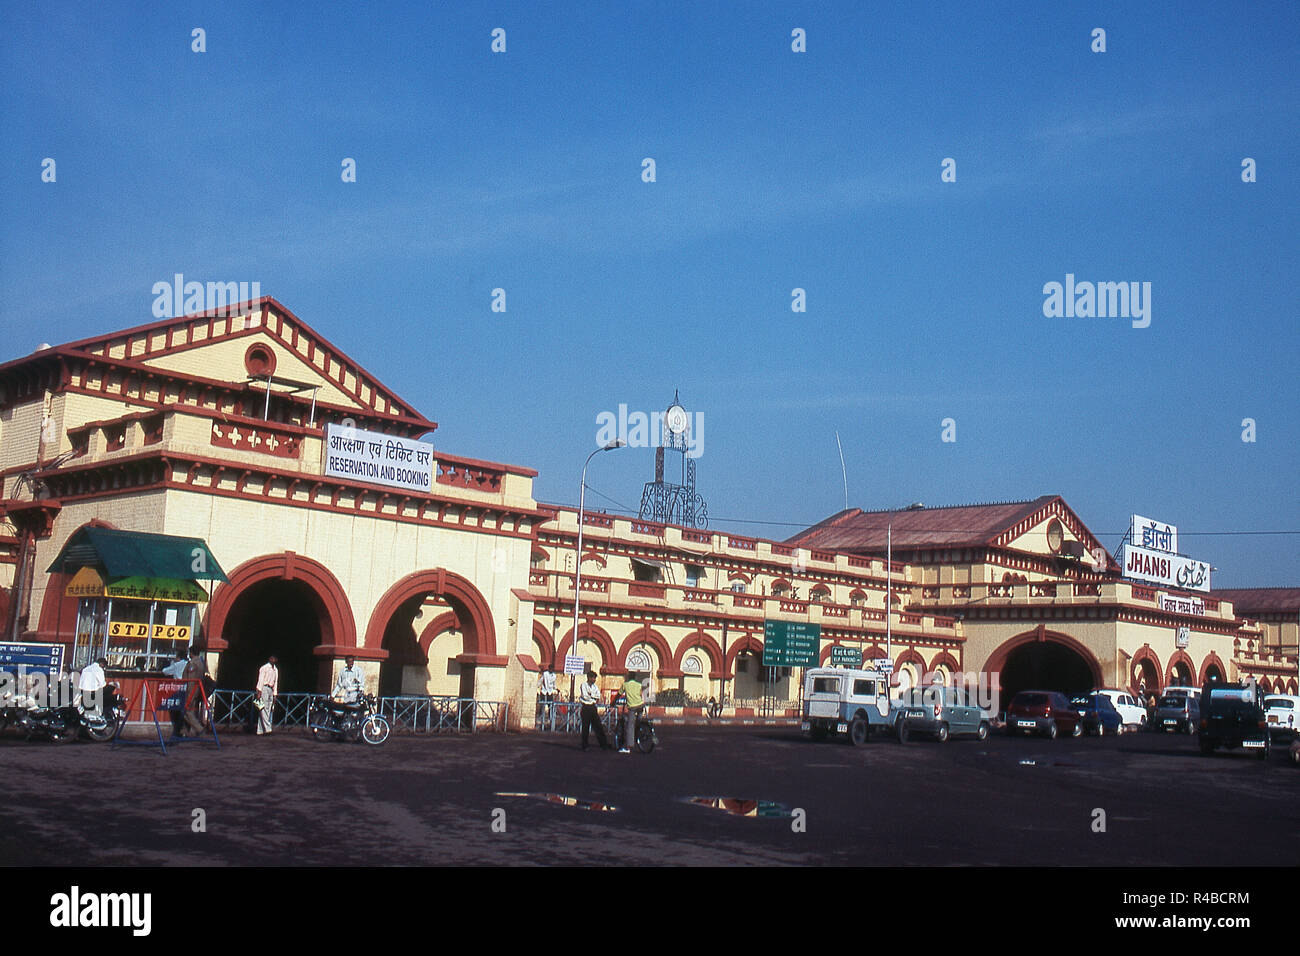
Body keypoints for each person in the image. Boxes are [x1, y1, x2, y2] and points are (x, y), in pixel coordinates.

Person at [578, 670, 610, 751]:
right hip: (585, 707)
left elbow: (598, 696)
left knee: (598, 726)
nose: (594, 680)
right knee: (585, 727)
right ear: (588, 678)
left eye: (595, 678)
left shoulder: (595, 687)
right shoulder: (583, 685)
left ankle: (603, 744)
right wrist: (593, 696)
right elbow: (585, 696)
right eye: (593, 678)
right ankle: (585, 745)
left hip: (593, 707)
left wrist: (591, 695)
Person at [621, 671, 645, 753]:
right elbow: (641, 695)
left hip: (632, 707)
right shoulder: (639, 685)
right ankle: (640, 733)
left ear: (628, 677)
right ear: (635, 677)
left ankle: (628, 747)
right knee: (639, 721)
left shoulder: (625, 684)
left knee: (630, 726)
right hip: (641, 705)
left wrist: (613, 702)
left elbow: (619, 694)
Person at [254, 655, 279, 735]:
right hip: (264, 687)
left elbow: (276, 682)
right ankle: (268, 728)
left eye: (274, 658)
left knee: (268, 709)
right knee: (263, 708)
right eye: (272, 658)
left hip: (270, 689)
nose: (273, 660)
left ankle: (260, 730)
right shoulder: (264, 668)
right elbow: (260, 679)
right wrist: (259, 691)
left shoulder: (275, 670)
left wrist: (275, 693)